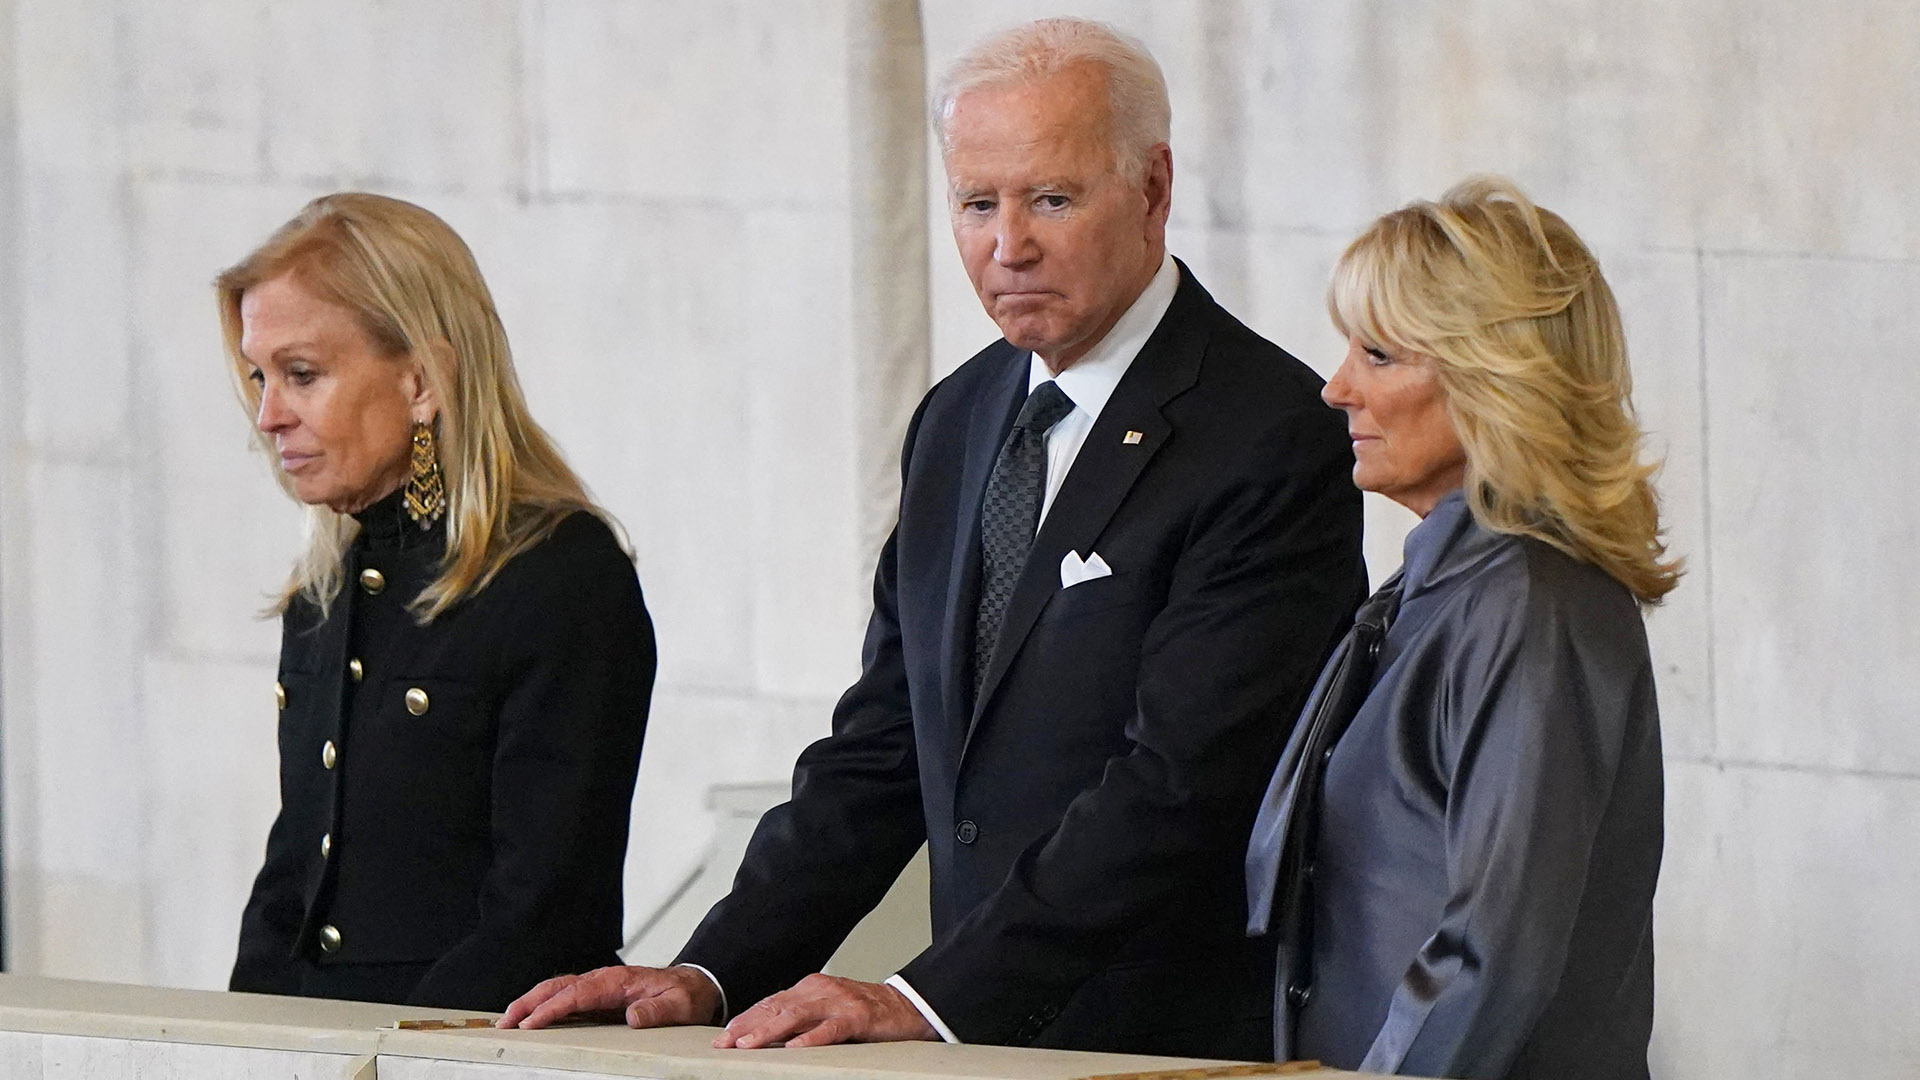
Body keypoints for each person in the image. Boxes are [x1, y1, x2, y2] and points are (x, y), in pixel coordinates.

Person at [500, 18, 1364, 1060]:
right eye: (976, 203)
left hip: (1164, 1045)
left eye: (1052, 199)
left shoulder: (1267, 432)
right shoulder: (957, 419)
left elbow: (1182, 785)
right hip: (975, 1049)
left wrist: (929, 999)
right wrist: (711, 972)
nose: (1009, 246)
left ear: (1152, 188)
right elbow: (886, 743)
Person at [1244, 177, 1680, 1078]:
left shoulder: (1530, 606)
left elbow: (1493, 951)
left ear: (1494, 377)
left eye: (1378, 354)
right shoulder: (1449, 588)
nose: (1336, 388)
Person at [222, 193, 656, 1011]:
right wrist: (242, 1040)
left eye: (302, 374)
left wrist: (396, 1055)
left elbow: (546, 913)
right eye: (259, 376)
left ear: (421, 380)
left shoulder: (560, 575)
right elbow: (294, 880)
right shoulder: (326, 590)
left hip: (470, 1045)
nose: (269, 415)